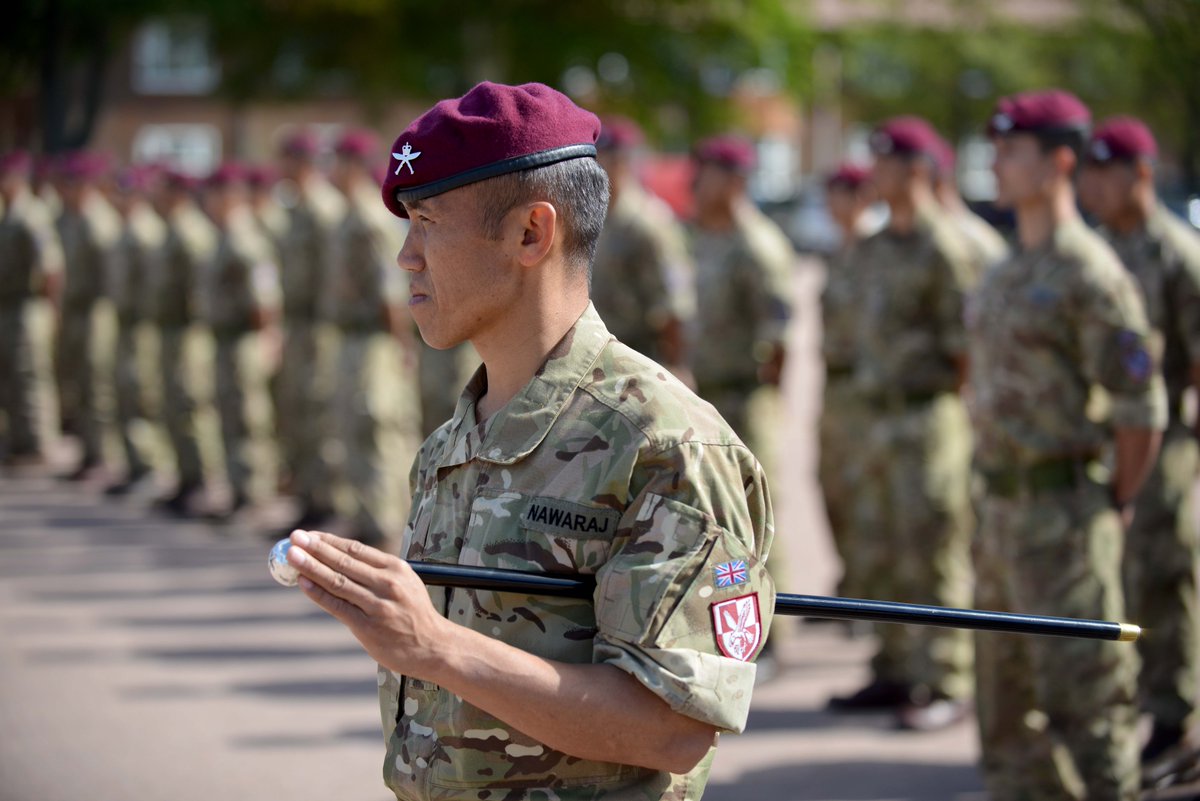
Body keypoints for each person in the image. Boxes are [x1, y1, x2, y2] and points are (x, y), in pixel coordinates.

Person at [284, 81, 775, 801]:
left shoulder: (665, 447)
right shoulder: (456, 437)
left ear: (530, 235)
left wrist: (434, 645)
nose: (406, 258)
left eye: (427, 222)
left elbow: (671, 727)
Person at [968, 89, 1166, 800]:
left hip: (1064, 520)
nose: (995, 162)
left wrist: (1110, 504)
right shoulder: (1004, 267)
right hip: (996, 519)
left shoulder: (1092, 273)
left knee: (1089, 711)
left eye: (1011, 151)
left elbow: (1142, 408)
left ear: (1058, 162)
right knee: (1006, 714)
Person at [826, 117, 977, 732]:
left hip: (926, 419)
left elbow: (967, 351)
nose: (873, 176)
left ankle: (945, 678)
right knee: (881, 548)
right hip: (875, 423)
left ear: (917, 171)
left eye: (886, 165)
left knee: (933, 551)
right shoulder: (879, 246)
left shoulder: (946, 247)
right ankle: (893, 667)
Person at [1078, 115, 1200, 785]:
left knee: (1163, 571)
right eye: (1089, 170)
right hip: (1104, 435)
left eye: (1106, 170)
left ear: (1142, 174)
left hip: (1165, 432)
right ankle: (1124, 706)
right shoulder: (1101, 249)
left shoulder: (1176, 253)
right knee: (1113, 577)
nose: (1093, 184)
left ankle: (1173, 715)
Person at [321, 128, 420, 547]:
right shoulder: (346, 215)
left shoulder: (370, 219)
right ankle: (363, 516)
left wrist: (402, 346)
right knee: (351, 425)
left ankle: (384, 523)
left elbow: (390, 292)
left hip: (374, 339)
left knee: (376, 424)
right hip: (349, 338)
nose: (333, 171)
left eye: (340, 162)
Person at [199, 163, 281, 518]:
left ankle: (253, 492)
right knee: (230, 414)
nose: (209, 202)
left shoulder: (244, 237)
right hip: (226, 339)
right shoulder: (225, 234)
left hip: (244, 339)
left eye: (216, 194)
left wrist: (265, 338)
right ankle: (237, 489)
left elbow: (263, 298)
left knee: (249, 417)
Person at [274, 129, 345, 530]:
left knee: (321, 411)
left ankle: (328, 500)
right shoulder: (296, 208)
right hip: (298, 323)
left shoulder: (324, 210)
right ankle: (307, 497)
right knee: (298, 409)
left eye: (288, 160)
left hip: (322, 325)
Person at [591, 116, 694, 377]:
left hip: (638, 360)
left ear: (623, 162)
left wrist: (676, 368)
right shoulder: (592, 217)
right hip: (596, 358)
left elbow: (674, 305)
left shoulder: (650, 222)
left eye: (605, 158)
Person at [816, 163, 874, 601]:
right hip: (836, 389)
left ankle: (867, 591)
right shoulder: (838, 252)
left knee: (867, 494)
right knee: (831, 485)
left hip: (867, 390)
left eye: (837, 194)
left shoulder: (877, 252)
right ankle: (851, 580)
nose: (828, 205)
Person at [149, 169, 220, 515]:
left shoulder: (191, 231)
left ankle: (203, 481)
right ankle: (185, 477)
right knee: (175, 404)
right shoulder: (173, 228)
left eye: (161, 188)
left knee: (193, 406)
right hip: (171, 330)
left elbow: (201, 290)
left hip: (190, 331)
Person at [54, 151, 123, 480]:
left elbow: (112, 279)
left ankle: (102, 455)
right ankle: (87, 450)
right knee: (79, 381)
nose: (69, 189)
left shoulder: (100, 220)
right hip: (76, 309)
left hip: (98, 309)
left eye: (75, 182)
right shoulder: (70, 218)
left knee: (98, 384)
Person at [104, 165, 167, 495]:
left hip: (144, 325)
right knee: (126, 393)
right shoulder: (127, 230)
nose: (120, 199)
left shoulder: (147, 233)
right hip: (127, 323)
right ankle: (134, 464)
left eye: (126, 193)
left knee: (143, 394)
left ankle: (150, 468)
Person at [0, 150, 63, 467]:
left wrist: (52, 310)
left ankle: (38, 443)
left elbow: (51, 268)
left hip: (28, 305)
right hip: (8, 305)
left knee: (30, 375)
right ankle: (18, 441)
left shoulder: (31, 215)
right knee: (11, 375)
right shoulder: (8, 213)